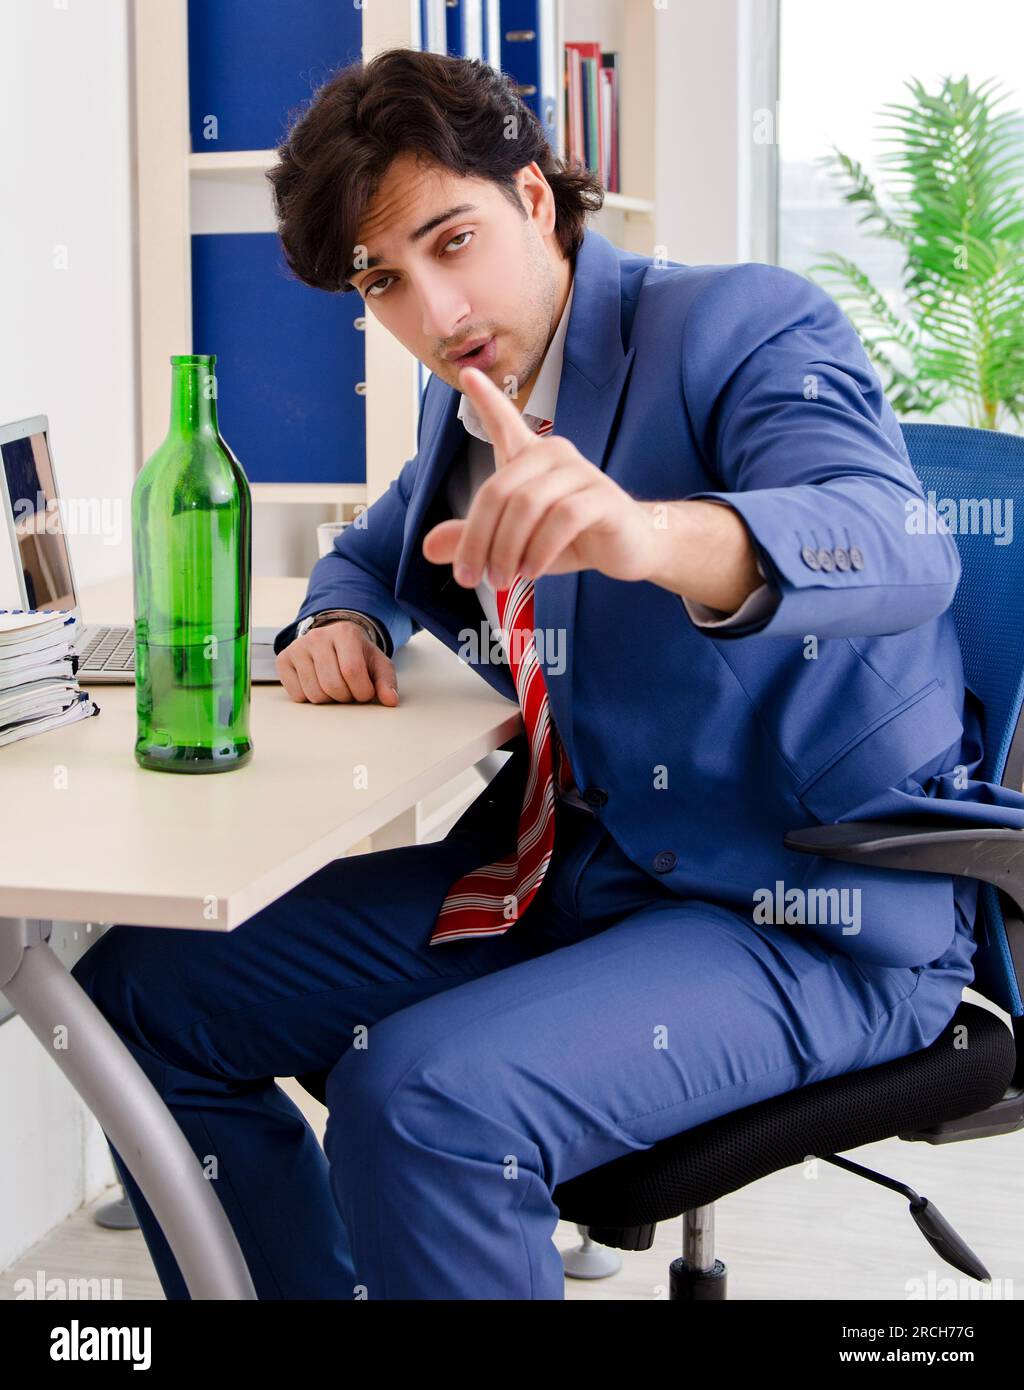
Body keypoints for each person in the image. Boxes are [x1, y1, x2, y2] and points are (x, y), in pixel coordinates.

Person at [72, 47, 981, 1300]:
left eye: (453, 241)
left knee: (421, 1102)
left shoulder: (741, 320)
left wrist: (652, 536)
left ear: (536, 201)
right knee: (135, 990)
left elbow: (895, 540)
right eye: (384, 280)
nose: (434, 315)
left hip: (800, 907)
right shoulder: (470, 405)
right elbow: (375, 553)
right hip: (579, 868)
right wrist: (338, 623)